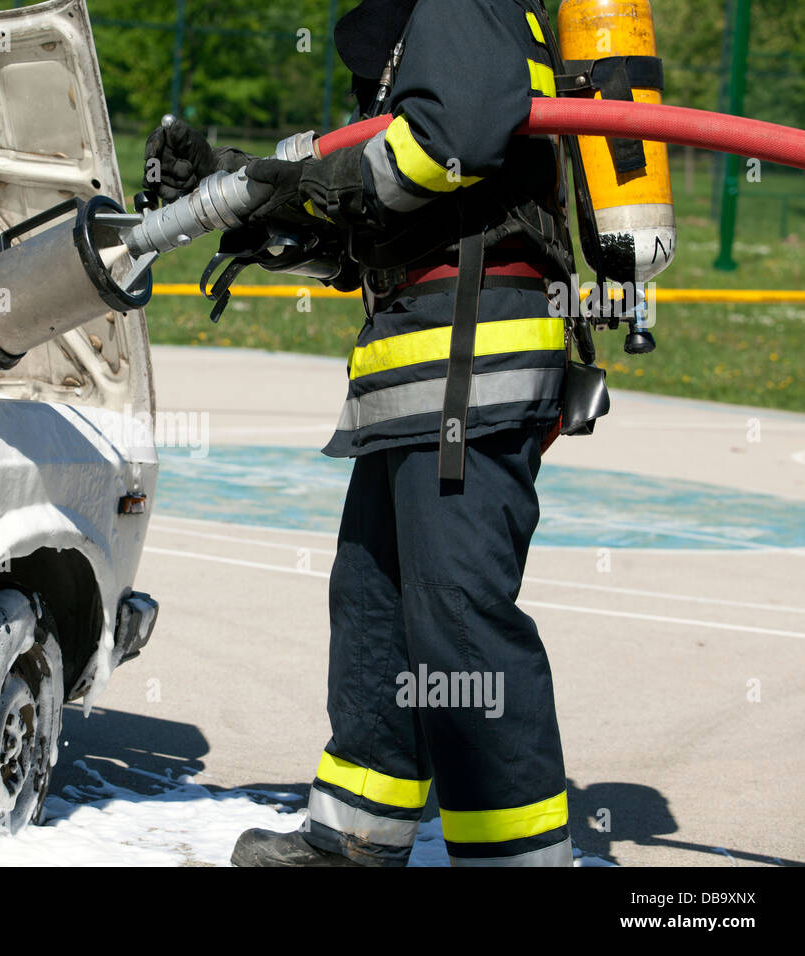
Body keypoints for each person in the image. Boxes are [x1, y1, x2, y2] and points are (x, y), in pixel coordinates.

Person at [146, 0, 580, 866]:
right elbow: (360, 224)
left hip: (469, 367)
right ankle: (354, 837)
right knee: (376, 610)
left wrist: (303, 185)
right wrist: (230, 189)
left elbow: (444, 145)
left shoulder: (462, 3)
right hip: (417, 372)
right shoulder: (408, 29)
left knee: (459, 623)